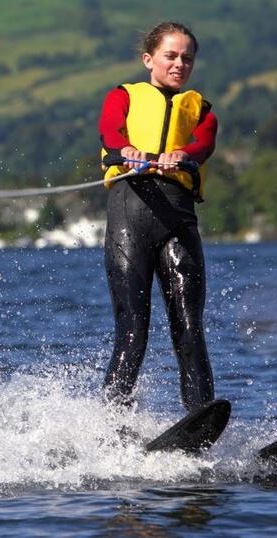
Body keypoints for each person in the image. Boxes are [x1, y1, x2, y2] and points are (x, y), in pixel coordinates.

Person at [98, 22, 219, 413]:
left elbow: (202, 145)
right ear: (149, 59)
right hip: (129, 213)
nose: (180, 63)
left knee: (189, 327)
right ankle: (110, 429)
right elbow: (109, 131)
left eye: (187, 57)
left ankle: (200, 420)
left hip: (177, 219)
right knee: (133, 330)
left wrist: (182, 155)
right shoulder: (123, 97)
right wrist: (126, 148)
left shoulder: (202, 111)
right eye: (171, 55)